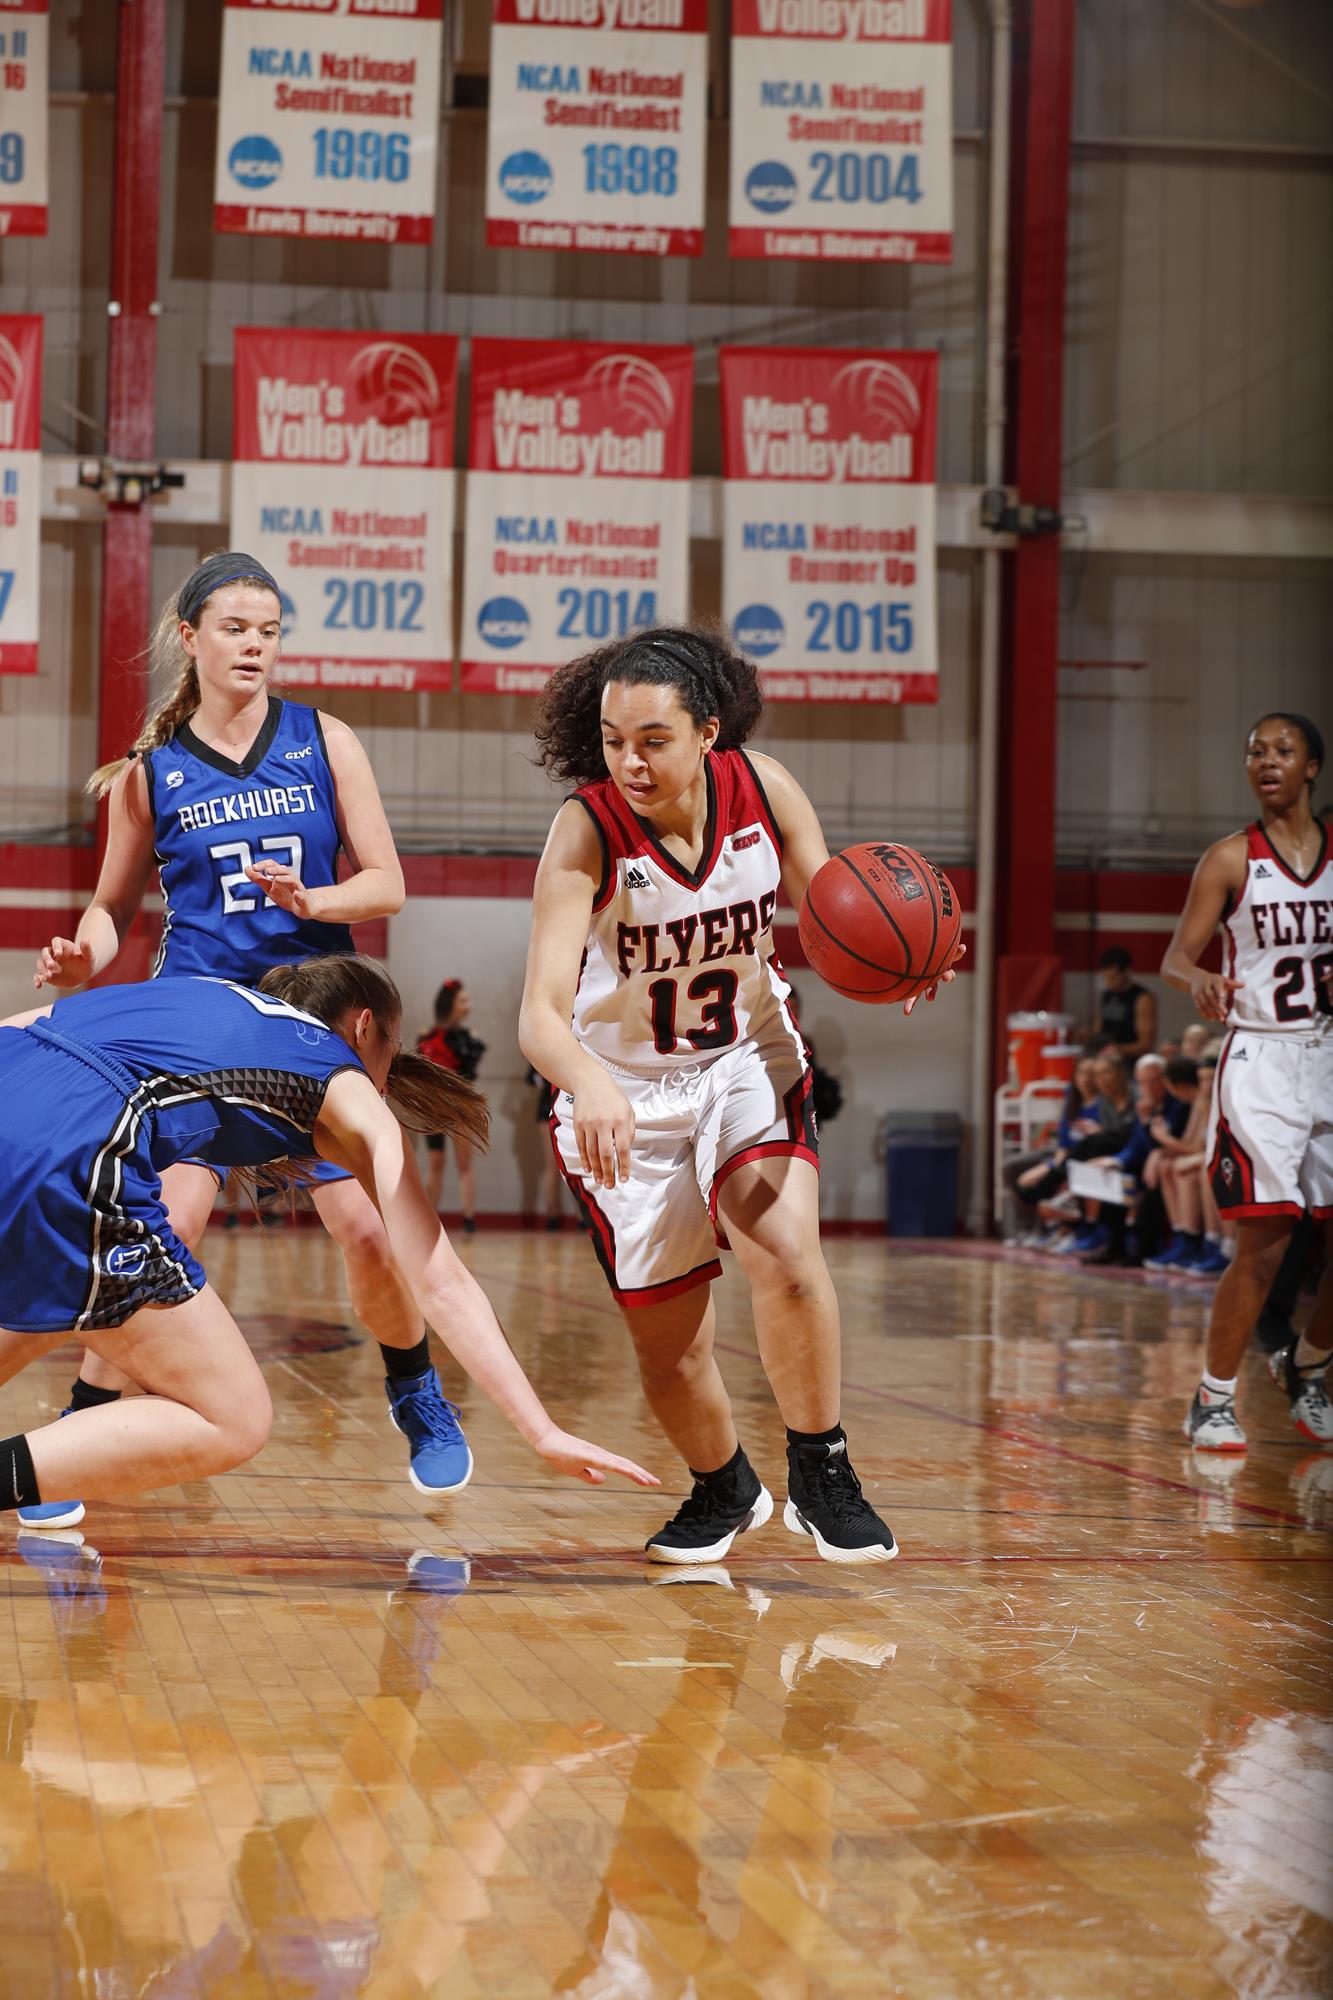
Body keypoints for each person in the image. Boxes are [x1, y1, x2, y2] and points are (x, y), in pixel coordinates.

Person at [25, 551, 470, 1525]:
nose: (255, 644)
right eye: (235, 626)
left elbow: (386, 880)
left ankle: (413, 1389)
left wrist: (319, 898)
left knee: (365, 1231)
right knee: (161, 1223)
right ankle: (88, 1412)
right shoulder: (150, 774)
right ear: (190, 636)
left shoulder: (324, 739)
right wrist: (81, 958)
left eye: (269, 628)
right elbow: (111, 905)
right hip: (190, 1035)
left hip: (302, 1030)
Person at [517, 625, 963, 1566]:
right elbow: (540, 1018)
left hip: (744, 1059)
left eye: (652, 739)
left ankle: (821, 1468)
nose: (628, 761)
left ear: (708, 731)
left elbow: (840, 919)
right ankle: (724, 1487)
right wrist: (590, 1082)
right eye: (611, 740)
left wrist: (898, 965)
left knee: (786, 1251)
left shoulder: (762, 787)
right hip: (623, 1093)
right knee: (667, 1351)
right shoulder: (586, 829)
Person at [0, 958, 657, 1516]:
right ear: (363, 1026)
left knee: (39, 1309)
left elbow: (25, 1030)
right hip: (76, 1152)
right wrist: (538, 1430)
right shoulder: (342, 1079)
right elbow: (440, 1280)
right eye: (391, 1051)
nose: (387, 1071)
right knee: (232, 1418)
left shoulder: (199, 990)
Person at [1162, 710, 1332, 1451]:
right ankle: (1213, 1395)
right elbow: (1175, 958)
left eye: (1282, 749)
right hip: (1260, 1058)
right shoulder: (1230, 859)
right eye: (1254, 750)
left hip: (1325, 1052)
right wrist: (1199, 979)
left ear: (1311, 768)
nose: (1266, 760)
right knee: (1262, 1246)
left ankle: (1309, 1365)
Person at [418, 979, 485, 1233]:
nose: (469, 1006)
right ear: (452, 1006)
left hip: (460, 1105)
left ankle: (469, 1218)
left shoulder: (469, 1038)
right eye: (464, 1001)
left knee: (465, 1162)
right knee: (435, 1163)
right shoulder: (428, 1036)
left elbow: (469, 1075)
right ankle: (428, 1217)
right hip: (433, 1106)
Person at [1096, 946, 1158, 1059]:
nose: (1109, 982)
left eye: (1114, 977)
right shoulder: (1106, 995)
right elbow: (1098, 1029)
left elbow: (1146, 1044)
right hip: (1106, 1059)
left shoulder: (1142, 998)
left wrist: (1117, 1050)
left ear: (1127, 971)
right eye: (1106, 978)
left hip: (1130, 1062)